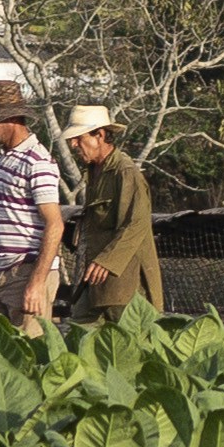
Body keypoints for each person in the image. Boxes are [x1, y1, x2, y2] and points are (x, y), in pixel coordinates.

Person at [61, 99, 163, 329]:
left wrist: (107, 262)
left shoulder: (125, 173)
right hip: (95, 279)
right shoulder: (95, 171)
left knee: (132, 345)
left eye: (80, 138)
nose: (74, 144)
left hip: (125, 282)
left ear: (99, 135)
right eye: (72, 139)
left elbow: (136, 224)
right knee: (78, 333)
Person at [0, 80, 67, 328]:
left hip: (28, 271)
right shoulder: (1, 161)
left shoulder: (37, 161)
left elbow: (55, 224)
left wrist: (37, 283)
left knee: (28, 356)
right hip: (0, 271)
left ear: (13, 119)